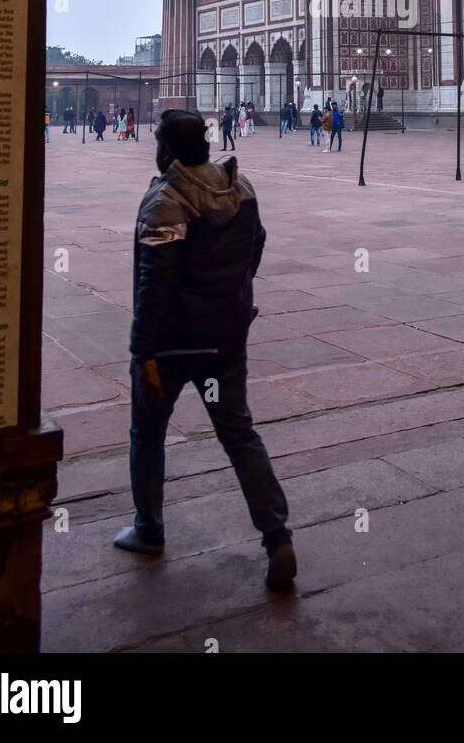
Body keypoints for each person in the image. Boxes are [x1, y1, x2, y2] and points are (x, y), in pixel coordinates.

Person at [113, 109, 295, 589]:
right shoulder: (242, 188)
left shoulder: (164, 199)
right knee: (239, 436)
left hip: (170, 348)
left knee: (148, 434)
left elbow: (155, 284)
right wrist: (237, 297)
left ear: (168, 150)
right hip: (223, 343)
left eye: (158, 143)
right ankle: (278, 537)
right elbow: (256, 244)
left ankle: (149, 527)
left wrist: (143, 350)